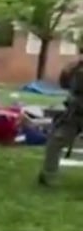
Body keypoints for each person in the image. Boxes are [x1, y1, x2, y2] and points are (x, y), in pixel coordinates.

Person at [39, 56, 83, 186]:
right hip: (75, 113)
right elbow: (64, 83)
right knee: (56, 140)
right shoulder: (77, 69)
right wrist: (71, 68)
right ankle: (49, 174)